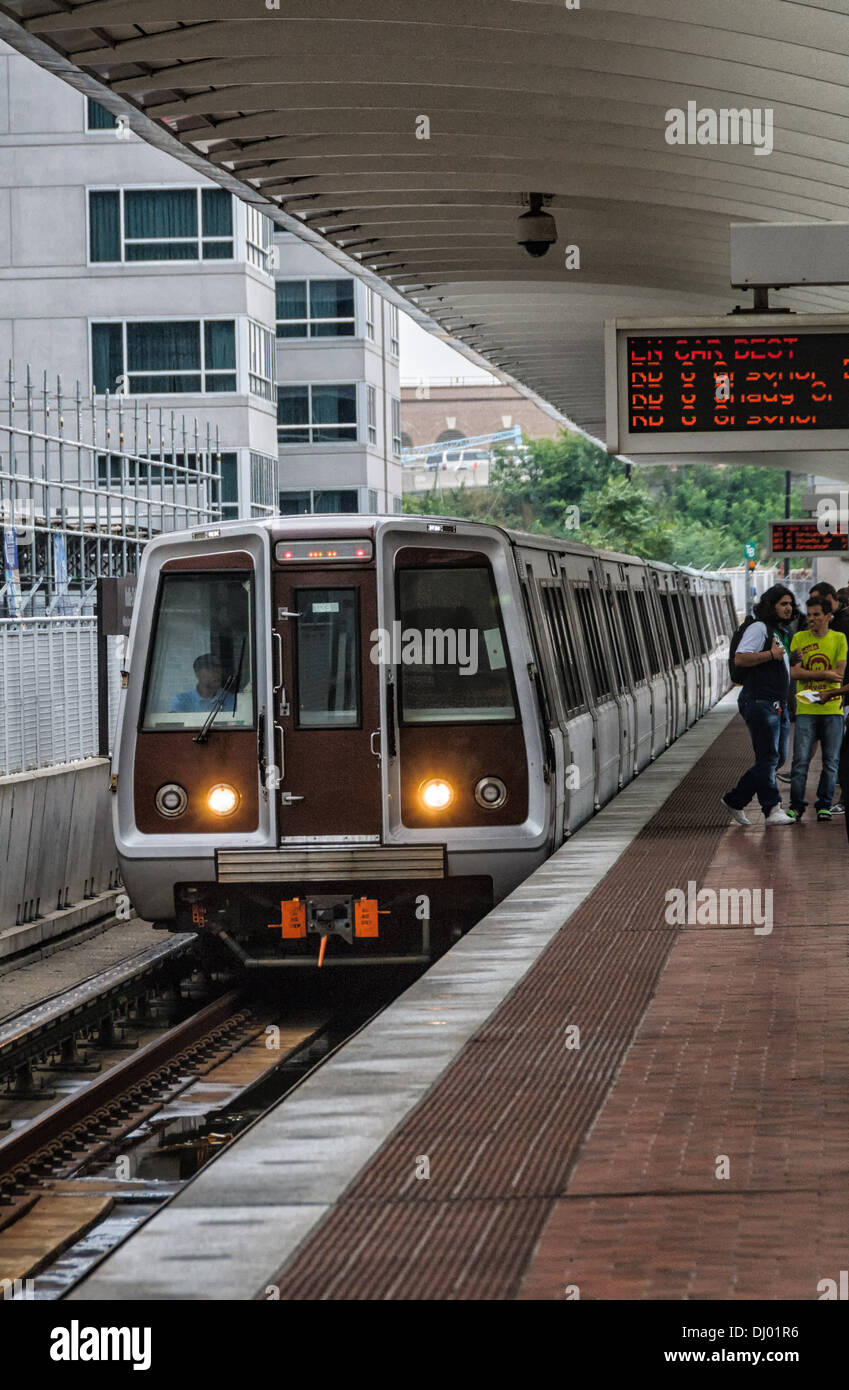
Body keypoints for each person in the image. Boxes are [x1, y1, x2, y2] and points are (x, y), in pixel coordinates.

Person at [721, 585, 795, 826]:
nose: (788, 608)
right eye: (783, 603)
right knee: (769, 756)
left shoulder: (779, 631)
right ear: (771, 605)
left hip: (777, 703)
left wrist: (788, 659)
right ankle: (771, 808)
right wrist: (771, 656)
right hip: (759, 701)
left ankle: (736, 799)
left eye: (790, 604)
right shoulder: (759, 628)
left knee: (777, 757)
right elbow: (741, 658)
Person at [786, 597, 847, 821]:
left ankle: (824, 805)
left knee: (831, 763)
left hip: (832, 710)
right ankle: (796, 805)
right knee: (800, 761)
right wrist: (825, 674)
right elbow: (794, 673)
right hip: (806, 709)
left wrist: (828, 676)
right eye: (809, 614)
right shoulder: (799, 638)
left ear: (828, 617)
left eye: (816, 615)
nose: (811, 619)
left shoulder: (839, 639)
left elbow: (840, 673)